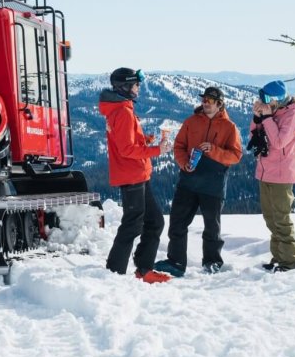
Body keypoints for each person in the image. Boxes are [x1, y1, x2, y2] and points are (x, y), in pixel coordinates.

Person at [154, 85, 242, 277]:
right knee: (177, 222)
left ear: (220, 104)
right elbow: (179, 146)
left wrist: (214, 150)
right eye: (204, 100)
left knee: (212, 227)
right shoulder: (191, 121)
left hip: (214, 183)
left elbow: (236, 156)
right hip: (189, 181)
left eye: (210, 101)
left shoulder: (229, 127)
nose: (205, 103)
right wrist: (184, 163)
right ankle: (175, 262)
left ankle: (212, 262)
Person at [99, 67, 169, 282]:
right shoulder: (122, 112)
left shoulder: (122, 109)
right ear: (126, 86)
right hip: (132, 175)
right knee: (133, 224)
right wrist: (158, 150)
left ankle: (143, 269)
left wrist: (144, 142)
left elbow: (126, 143)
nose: (139, 88)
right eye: (136, 84)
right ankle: (115, 272)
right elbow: (126, 150)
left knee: (155, 222)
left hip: (138, 173)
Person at [251, 80, 295, 272]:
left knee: (281, 218)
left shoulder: (293, 115)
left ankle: (289, 262)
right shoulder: (271, 113)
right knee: (270, 218)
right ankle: (278, 257)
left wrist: (266, 119)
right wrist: (257, 119)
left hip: (281, 175)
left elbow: (280, 142)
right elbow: (254, 137)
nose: (262, 102)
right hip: (265, 171)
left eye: (266, 98)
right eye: (261, 97)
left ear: (277, 99)